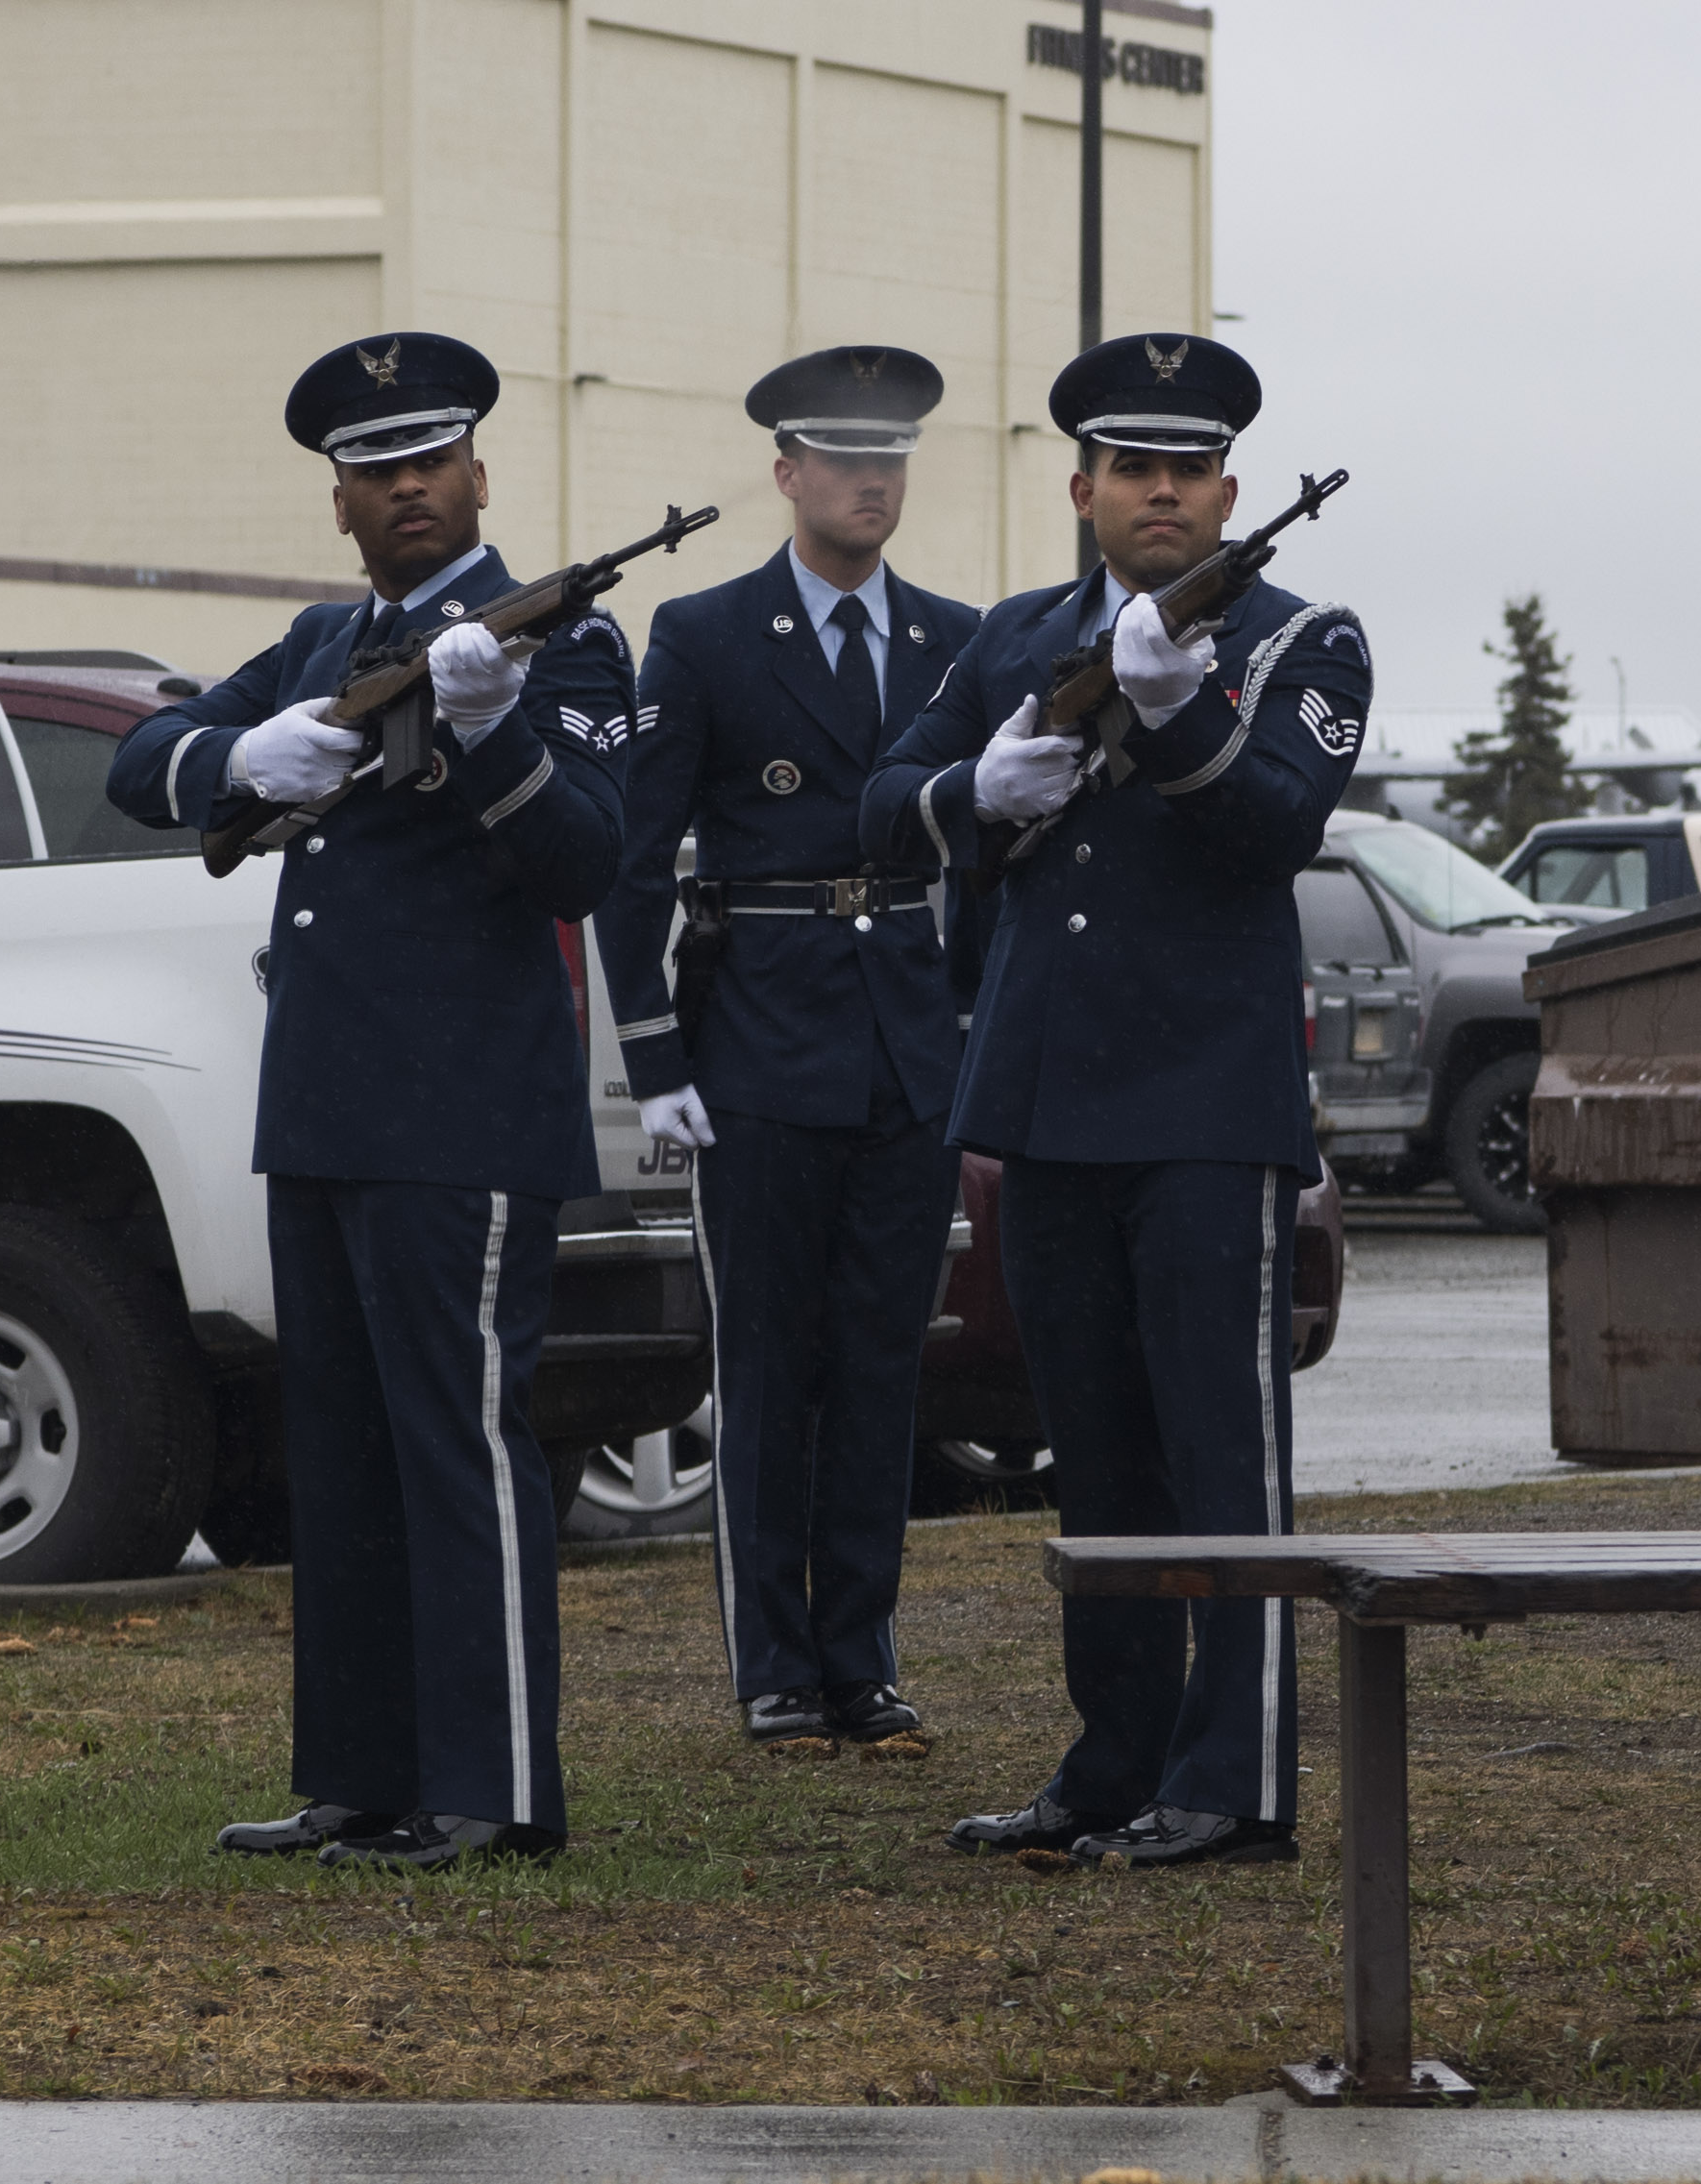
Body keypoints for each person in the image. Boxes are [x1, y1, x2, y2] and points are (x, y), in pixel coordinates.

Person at [106, 333, 630, 1872]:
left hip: (461, 1111)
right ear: (338, 501)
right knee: (333, 1449)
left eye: (429, 462)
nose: (405, 489)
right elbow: (144, 760)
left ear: (479, 475)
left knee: (459, 1438)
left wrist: (490, 730)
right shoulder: (322, 639)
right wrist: (235, 750)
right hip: (326, 1104)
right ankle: (358, 1775)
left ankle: (493, 1784)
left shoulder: (565, 650)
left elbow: (584, 860)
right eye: (373, 472)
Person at [862, 334, 1370, 1870]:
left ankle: (1236, 1777)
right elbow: (889, 797)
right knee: (1097, 1452)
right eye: (1129, 469)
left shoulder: (1298, 637)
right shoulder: (1016, 636)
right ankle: (1115, 1758)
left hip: (1206, 1104)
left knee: (1224, 1455)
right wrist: (976, 795)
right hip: (1047, 1096)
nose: (1160, 493)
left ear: (1227, 489)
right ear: (1079, 485)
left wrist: (1177, 713)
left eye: (1187, 471)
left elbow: (1273, 825)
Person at [596, 347, 982, 1748]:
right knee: (767, 1362)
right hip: (756, 1041)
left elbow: (986, 856)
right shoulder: (701, 635)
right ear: (785, 471)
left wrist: (972, 1035)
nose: (871, 479)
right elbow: (634, 867)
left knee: (881, 1363)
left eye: (890, 458)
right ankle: (773, 1661)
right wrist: (655, 1060)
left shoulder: (956, 638)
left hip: (903, 1051)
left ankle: (860, 1656)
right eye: (841, 456)